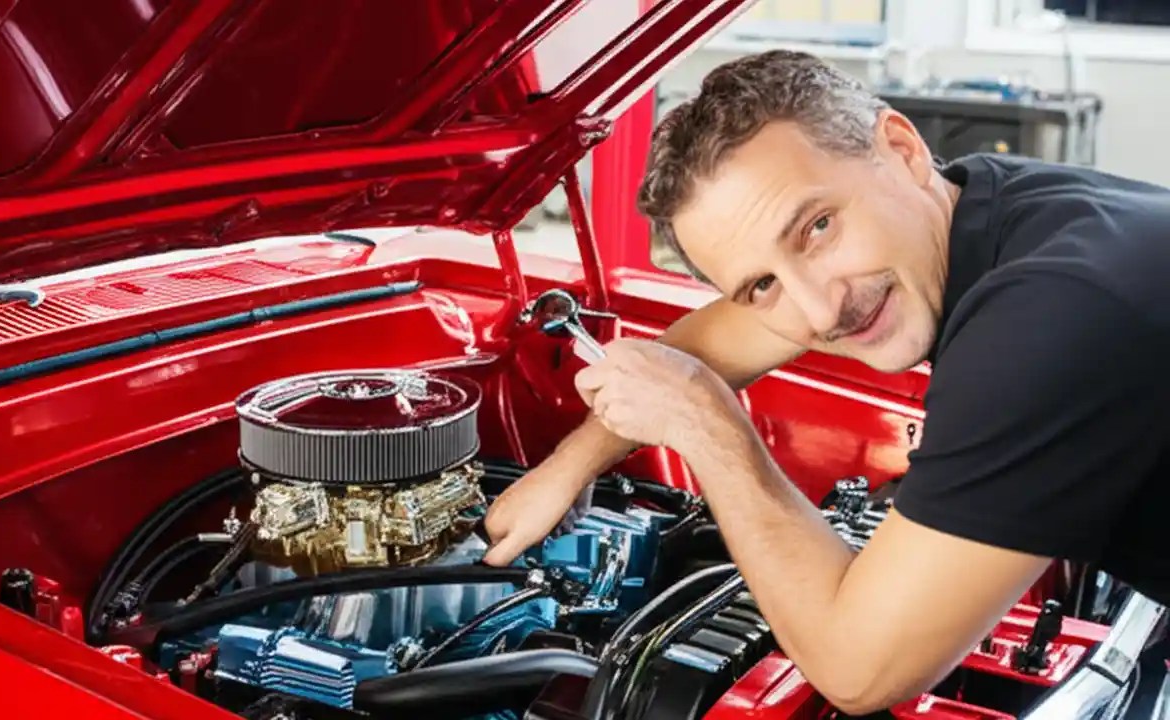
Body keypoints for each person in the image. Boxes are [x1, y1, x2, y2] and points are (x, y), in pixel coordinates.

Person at [481, 49, 1170, 714]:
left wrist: (709, 426)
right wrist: (565, 469)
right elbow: (710, 343)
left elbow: (859, 670)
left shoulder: (1053, 315)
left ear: (900, 149)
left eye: (815, 228)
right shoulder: (985, 211)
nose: (819, 309)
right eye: (761, 283)